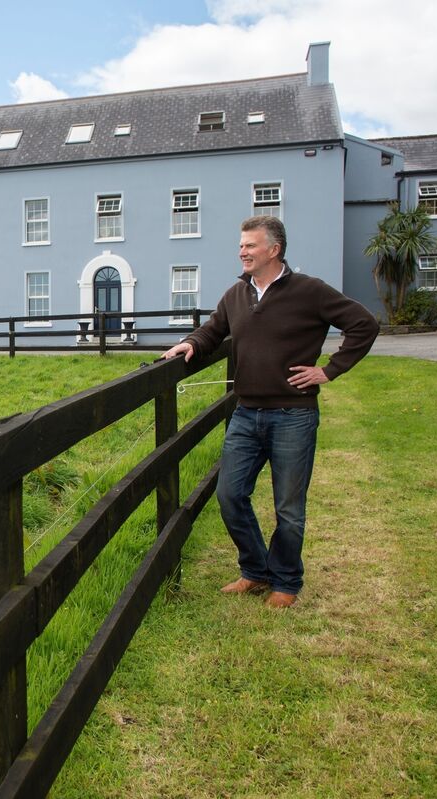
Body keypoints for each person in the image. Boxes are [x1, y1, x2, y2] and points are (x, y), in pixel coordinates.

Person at [161, 215, 378, 608]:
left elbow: (363, 325)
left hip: (293, 415)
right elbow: (213, 329)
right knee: (230, 496)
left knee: (288, 508)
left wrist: (329, 371)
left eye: (250, 245)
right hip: (246, 413)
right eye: (241, 245)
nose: (242, 251)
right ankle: (255, 570)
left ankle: (286, 582)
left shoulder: (309, 291)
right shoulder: (236, 294)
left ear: (274, 250)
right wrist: (190, 343)